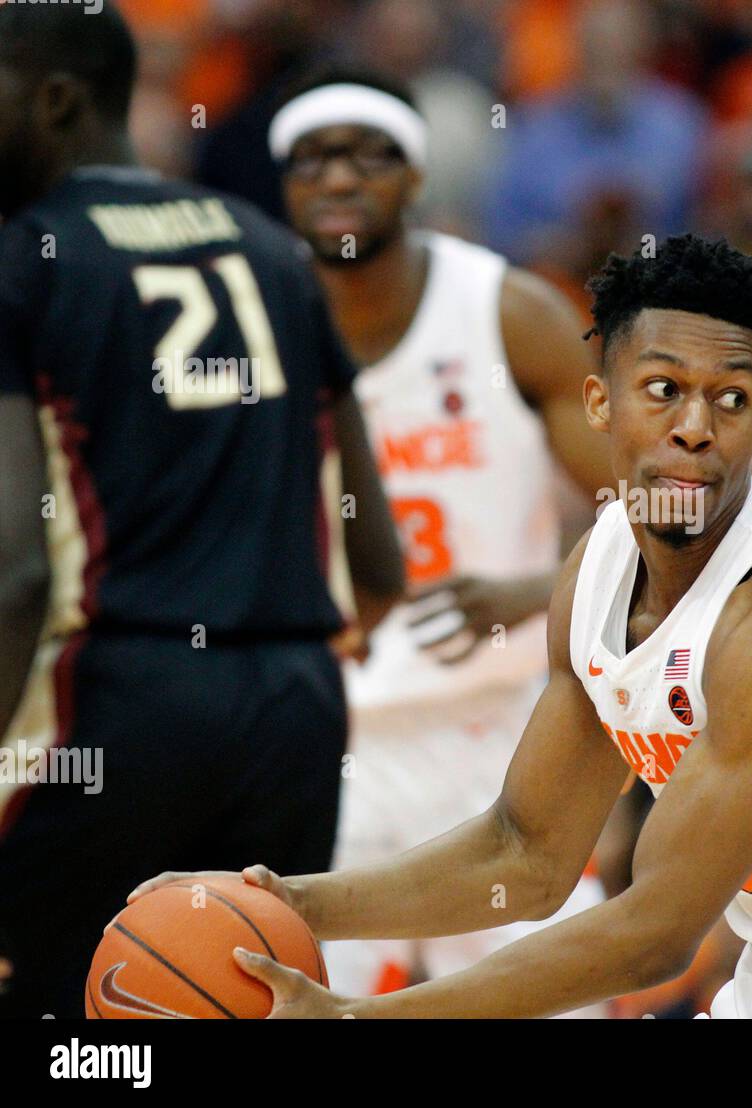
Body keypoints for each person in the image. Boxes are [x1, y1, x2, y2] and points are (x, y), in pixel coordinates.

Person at [130, 234, 752, 1020]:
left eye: (731, 398)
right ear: (600, 403)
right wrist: (285, 902)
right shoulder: (597, 566)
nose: (696, 426)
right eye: (663, 388)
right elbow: (527, 855)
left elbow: (656, 930)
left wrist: (359, 1019)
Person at [0, 3, 404, 1019]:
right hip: (298, 709)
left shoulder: (26, 257)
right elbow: (380, 560)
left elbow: (14, 567)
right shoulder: (271, 247)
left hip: (115, 702)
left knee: (67, 1025)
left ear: (53, 98)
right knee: (243, 1010)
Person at [271, 67, 611, 1002]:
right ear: (286, 187)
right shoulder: (259, 327)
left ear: (417, 178)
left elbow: (662, 510)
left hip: (502, 738)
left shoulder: (510, 310)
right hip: (332, 743)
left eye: (368, 154)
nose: (340, 177)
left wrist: (535, 592)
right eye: (313, 159)